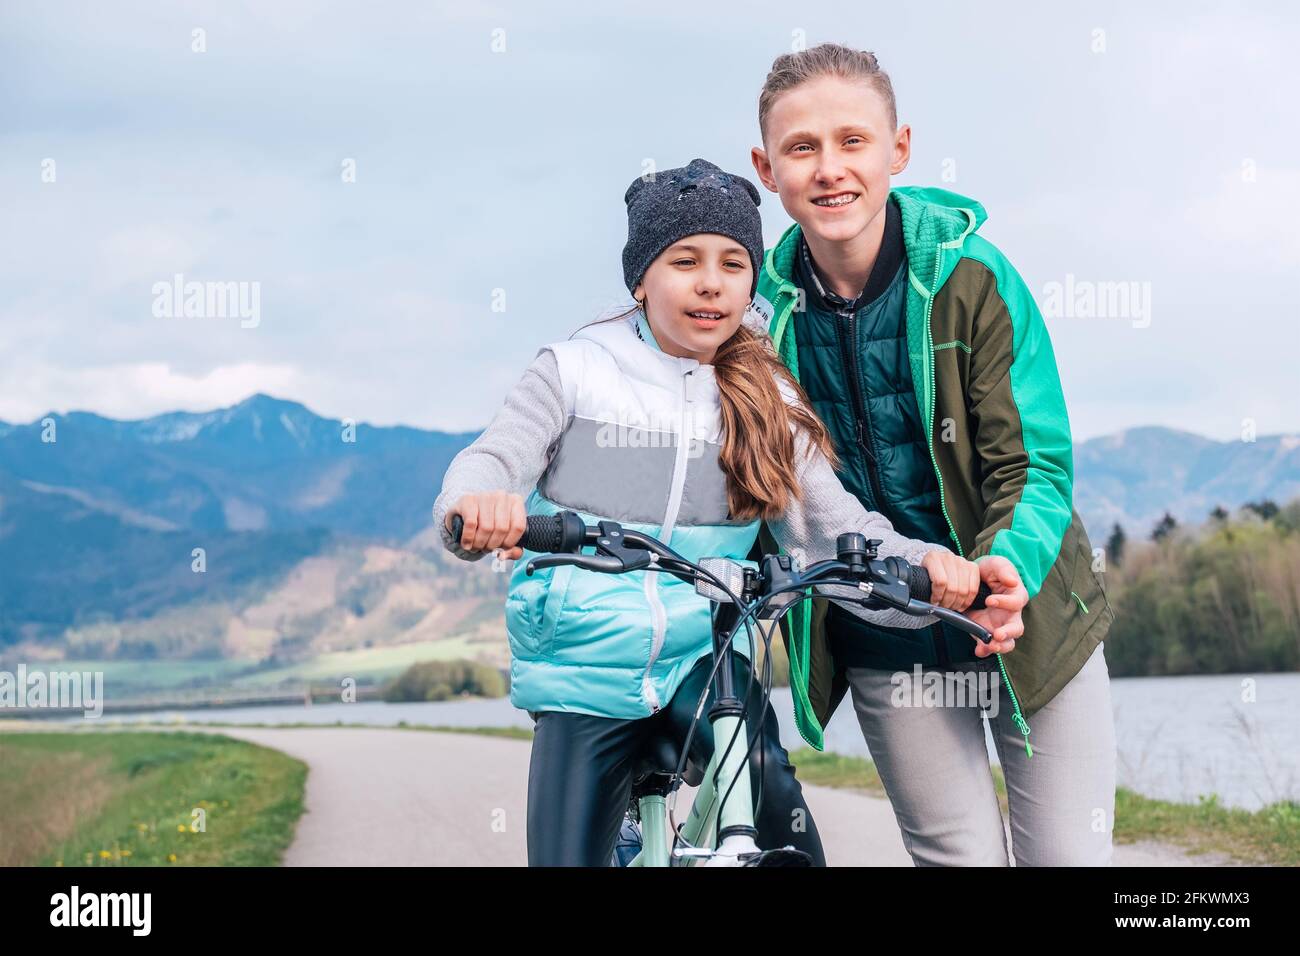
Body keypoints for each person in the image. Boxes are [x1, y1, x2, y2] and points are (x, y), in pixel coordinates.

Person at [432, 157, 1027, 866]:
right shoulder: (574, 372)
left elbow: (836, 532)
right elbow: (490, 459)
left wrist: (929, 569)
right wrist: (477, 507)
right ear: (640, 279)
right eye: (685, 260)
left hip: (706, 657)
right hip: (585, 669)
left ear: (750, 281)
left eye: (733, 262)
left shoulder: (768, 396)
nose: (711, 281)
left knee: (779, 811)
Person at [748, 43, 1117, 865]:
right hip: (890, 639)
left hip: (1032, 625)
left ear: (899, 150)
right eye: (801, 147)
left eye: (853, 141)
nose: (830, 168)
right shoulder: (758, 323)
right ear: (766, 168)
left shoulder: (974, 278)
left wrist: (1004, 574)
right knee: (957, 861)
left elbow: (1035, 465)